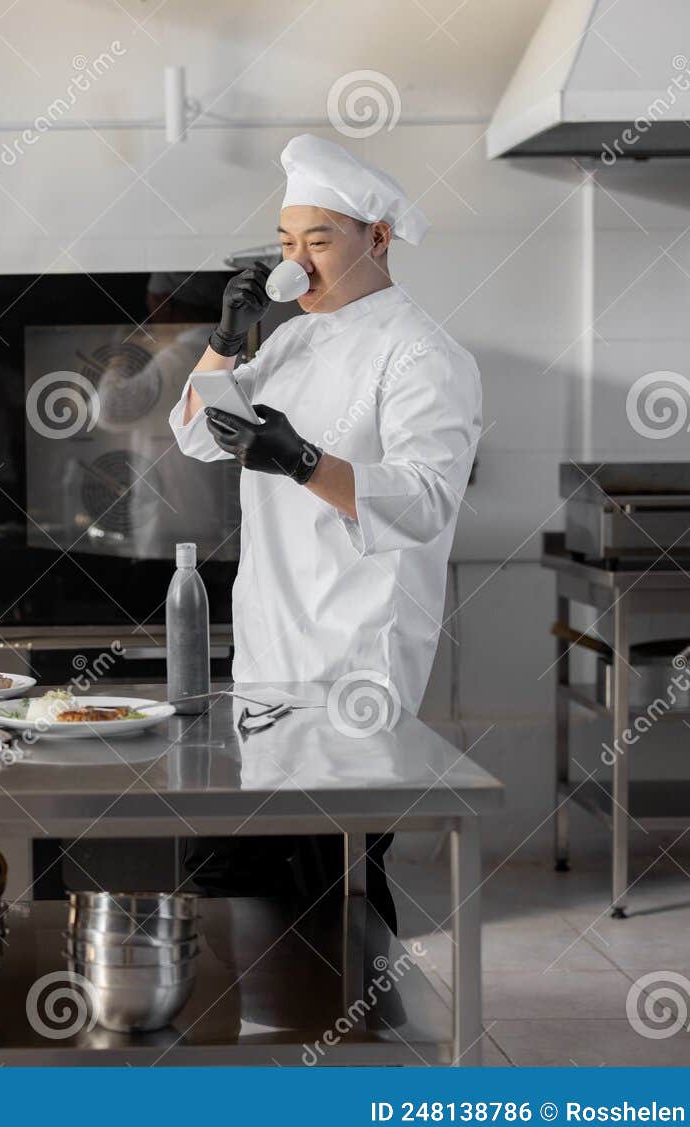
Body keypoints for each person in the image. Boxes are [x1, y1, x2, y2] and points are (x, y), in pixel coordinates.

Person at [168, 134, 483, 930]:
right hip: (270, 665)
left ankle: (367, 1009)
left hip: (351, 667)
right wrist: (225, 341)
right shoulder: (291, 338)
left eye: (318, 241)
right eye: (286, 244)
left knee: (333, 887)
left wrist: (301, 459)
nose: (298, 263)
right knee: (236, 885)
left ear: (377, 237)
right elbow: (196, 433)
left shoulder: (423, 354)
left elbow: (425, 500)